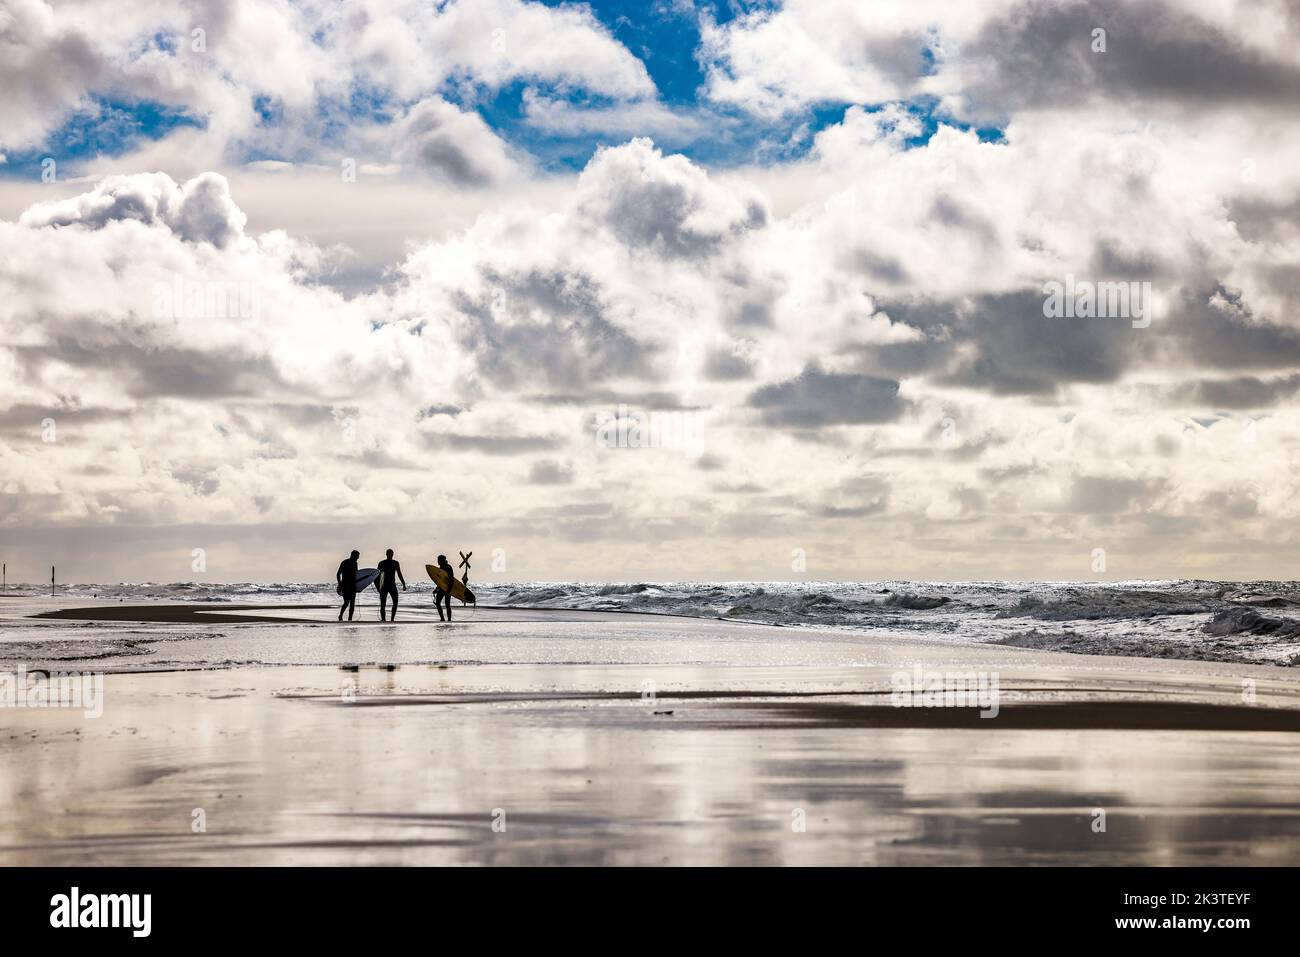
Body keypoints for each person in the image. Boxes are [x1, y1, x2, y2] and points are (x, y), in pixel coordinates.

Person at [376, 548, 407, 621]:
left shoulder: (395, 563)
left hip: (392, 585)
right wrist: (378, 586)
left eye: (391, 554)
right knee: (383, 604)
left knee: (395, 602)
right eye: (388, 553)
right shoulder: (381, 563)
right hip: (384, 585)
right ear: (386, 554)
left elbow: (399, 573)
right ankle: (383, 619)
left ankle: (392, 619)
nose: (390, 555)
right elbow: (377, 575)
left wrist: (403, 583)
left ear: (393, 554)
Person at [336, 549, 360, 621]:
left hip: (353, 586)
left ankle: (350, 619)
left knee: (352, 603)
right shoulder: (344, 562)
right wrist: (340, 584)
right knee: (346, 602)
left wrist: (359, 586)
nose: (358, 558)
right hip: (345, 585)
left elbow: (356, 575)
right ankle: (340, 615)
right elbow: (338, 573)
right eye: (357, 556)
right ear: (353, 555)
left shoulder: (355, 563)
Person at [434, 553, 456, 622]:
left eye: (438, 560)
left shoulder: (448, 567)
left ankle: (449, 619)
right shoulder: (441, 568)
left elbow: (451, 579)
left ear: (442, 560)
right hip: (441, 588)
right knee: (437, 603)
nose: (437, 561)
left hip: (447, 588)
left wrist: (449, 590)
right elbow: (440, 581)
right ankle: (442, 618)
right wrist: (436, 588)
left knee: (447, 604)